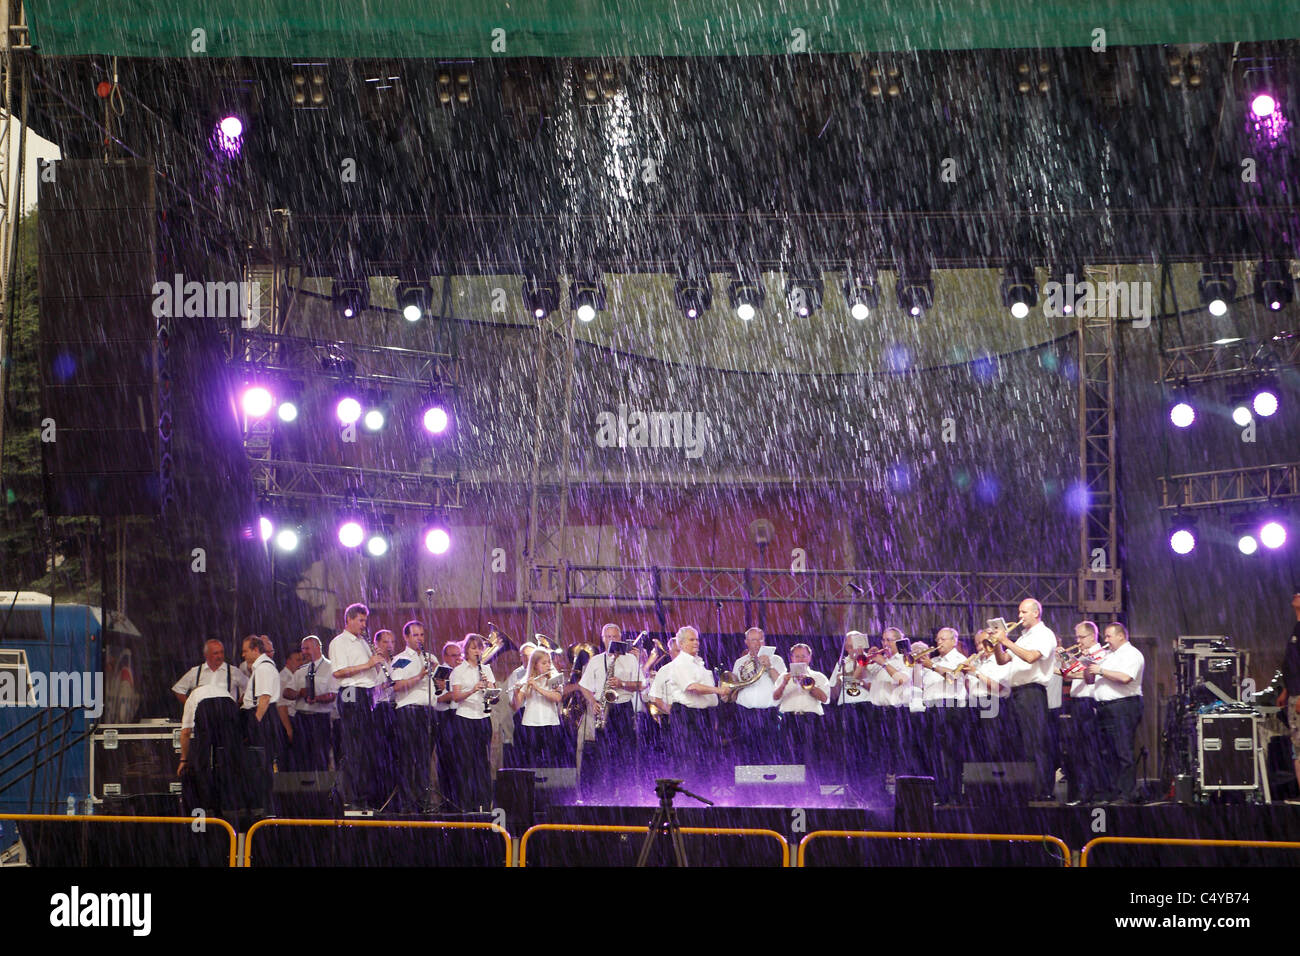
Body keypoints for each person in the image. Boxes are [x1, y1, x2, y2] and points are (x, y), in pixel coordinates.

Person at [992, 599, 1057, 799]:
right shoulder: (1023, 637)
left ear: (1036, 613)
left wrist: (1005, 641)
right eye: (1019, 612)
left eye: (1024, 612)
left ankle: (1041, 790)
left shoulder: (1044, 634)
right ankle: (1027, 788)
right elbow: (1002, 660)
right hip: (1017, 693)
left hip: (1032, 692)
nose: (1019, 616)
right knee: (1020, 743)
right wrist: (995, 644)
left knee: (1035, 743)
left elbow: (1031, 657)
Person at [577, 624, 644, 800]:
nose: (612, 640)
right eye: (608, 637)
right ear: (603, 638)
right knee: (604, 753)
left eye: (615, 637)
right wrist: (592, 702)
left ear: (620, 638)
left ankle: (625, 793)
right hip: (604, 708)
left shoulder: (630, 659)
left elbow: (642, 684)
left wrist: (622, 684)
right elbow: (583, 686)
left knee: (625, 753)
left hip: (623, 708)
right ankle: (605, 793)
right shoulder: (597, 660)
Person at [655, 626, 727, 785]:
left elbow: (707, 694)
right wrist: (719, 690)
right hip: (685, 716)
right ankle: (687, 799)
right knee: (687, 758)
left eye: (697, 639)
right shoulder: (680, 664)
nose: (696, 643)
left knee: (706, 757)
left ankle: (703, 793)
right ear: (681, 644)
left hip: (703, 716)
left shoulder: (698, 663)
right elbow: (691, 687)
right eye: (691, 639)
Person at [328, 604, 383, 809]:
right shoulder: (339, 642)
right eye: (360, 620)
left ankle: (362, 797)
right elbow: (339, 672)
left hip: (367, 694)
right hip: (351, 693)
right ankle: (349, 799)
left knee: (366, 748)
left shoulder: (363, 642)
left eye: (365, 621)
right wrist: (367, 664)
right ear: (349, 619)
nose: (364, 625)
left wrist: (378, 662)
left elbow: (371, 673)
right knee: (354, 748)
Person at [1086, 622, 1145, 804]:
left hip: (1124, 706)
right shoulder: (1107, 656)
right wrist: (1088, 666)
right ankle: (1111, 791)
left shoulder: (1132, 654)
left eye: (1109, 636)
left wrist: (1101, 670)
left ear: (1121, 636)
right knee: (1106, 752)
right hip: (1104, 708)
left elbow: (1125, 678)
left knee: (1122, 751)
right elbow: (1090, 680)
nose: (1106, 640)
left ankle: (1126, 793)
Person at [390, 620, 436, 813]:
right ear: (406, 637)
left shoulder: (430, 657)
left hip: (428, 710)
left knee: (425, 757)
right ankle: (408, 802)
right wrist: (419, 676)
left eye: (422, 635)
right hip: (409, 710)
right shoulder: (400, 659)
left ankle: (424, 800)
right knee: (409, 757)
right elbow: (397, 686)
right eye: (415, 635)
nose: (419, 639)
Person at [1058, 621, 1106, 804]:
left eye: (1081, 637)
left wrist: (1071, 664)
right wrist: (1065, 658)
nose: (1078, 641)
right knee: (1077, 751)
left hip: (1089, 702)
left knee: (1091, 750)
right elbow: (1068, 673)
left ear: (1092, 636)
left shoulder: (1101, 655)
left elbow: (1083, 675)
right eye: (1076, 637)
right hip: (1076, 704)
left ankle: (1096, 792)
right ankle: (1083, 793)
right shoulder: (1082, 655)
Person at [918, 628, 967, 804]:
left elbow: (953, 677)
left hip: (950, 708)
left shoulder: (959, 659)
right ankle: (939, 793)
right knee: (934, 754)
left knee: (950, 753)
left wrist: (931, 665)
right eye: (937, 639)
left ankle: (953, 794)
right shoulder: (934, 660)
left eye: (943, 639)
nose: (939, 642)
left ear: (954, 641)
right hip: (932, 708)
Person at [447, 635, 496, 811]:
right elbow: (456, 697)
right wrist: (473, 689)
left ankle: (482, 802)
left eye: (479, 648)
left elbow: (493, 692)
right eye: (473, 648)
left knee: (483, 761)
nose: (477, 651)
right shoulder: (458, 671)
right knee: (466, 762)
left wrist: (490, 690)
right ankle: (466, 803)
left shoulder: (487, 669)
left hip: (483, 717)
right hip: (465, 718)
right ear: (466, 650)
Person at [772, 643, 829, 784]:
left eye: (804, 656)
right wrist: (785, 683)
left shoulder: (818, 676)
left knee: (811, 758)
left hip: (811, 720)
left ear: (809, 658)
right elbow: (775, 698)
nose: (800, 659)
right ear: (791, 658)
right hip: (789, 720)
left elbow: (825, 698)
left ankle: (811, 792)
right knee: (788, 757)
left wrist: (808, 683)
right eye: (797, 656)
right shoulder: (783, 677)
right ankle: (791, 792)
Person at [729, 627, 786, 764]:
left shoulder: (776, 659)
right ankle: (747, 783)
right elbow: (735, 686)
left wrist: (769, 667)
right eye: (753, 640)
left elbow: (782, 684)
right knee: (746, 753)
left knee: (771, 753)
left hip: (769, 715)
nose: (758, 643)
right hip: (745, 714)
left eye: (761, 639)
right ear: (746, 642)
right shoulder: (740, 662)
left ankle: (769, 782)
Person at [865, 628, 911, 788]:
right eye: (883, 640)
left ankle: (897, 790)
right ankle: (877, 790)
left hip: (896, 713)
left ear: (898, 642)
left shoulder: (905, 659)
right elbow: (856, 677)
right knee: (876, 753)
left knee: (896, 753)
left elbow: (902, 680)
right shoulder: (879, 661)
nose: (885, 644)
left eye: (889, 640)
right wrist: (864, 658)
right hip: (877, 713)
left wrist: (884, 663)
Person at [240, 635, 281, 811]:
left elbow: (264, 699)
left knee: (261, 764)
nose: (243, 655)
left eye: (245, 651)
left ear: (256, 650)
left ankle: (264, 807)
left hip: (261, 719)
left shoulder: (264, 669)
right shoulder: (260, 668)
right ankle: (262, 805)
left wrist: (254, 726)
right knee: (259, 764)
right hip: (261, 718)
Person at [512, 646, 568, 767]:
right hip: (531, 723)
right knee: (531, 759)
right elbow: (516, 706)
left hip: (550, 723)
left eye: (549, 662)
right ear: (535, 664)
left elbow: (557, 698)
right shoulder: (527, 679)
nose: (548, 665)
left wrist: (537, 688)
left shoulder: (555, 678)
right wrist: (516, 692)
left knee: (550, 759)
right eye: (544, 663)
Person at [288, 636, 336, 772]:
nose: (304, 652)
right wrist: (299, 693)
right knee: (301, 758)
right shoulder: (301, 670)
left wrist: (317, 699)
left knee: (320, 758)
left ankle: (321, 791)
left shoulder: (331, 668)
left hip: (320, 719)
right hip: (301, 719)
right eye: (302, 648)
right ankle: (302, 791)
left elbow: (333, 695)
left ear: (317, 647)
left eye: (307, 648)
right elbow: (286, 692)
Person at [171, 639, 247, 708]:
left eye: (221, 652)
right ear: (206, 655)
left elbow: (249, 687)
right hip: (202, 717)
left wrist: (238, 704)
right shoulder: (195, 672)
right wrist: (190, 706)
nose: (220, 656)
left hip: (226, 716)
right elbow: (178, 689)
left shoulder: (233, 671)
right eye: (216, 653)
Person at [370, 629, 399, 809]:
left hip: (395, 708)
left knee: (395, 755)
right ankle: (380, 796)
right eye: (385, 642)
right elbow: (372, 689)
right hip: (380, 709)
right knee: (381, 754)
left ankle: (394, 796)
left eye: (392, 642)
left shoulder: (397, 662)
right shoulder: (374, 663)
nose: (389, 646)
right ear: (377, 644)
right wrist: (387, 683)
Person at [432, 640, 463, 809]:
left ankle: (458, 799)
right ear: (445, 656)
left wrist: (453, 690)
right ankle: (446, 799)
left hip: (460, 716)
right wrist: (454, 692)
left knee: (460, 759)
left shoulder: (463, 671)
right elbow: (437, 698)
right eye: (453, 655)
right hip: (445, 717)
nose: (457, 658)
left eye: (459, 655)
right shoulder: (440, 672)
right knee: (446, 759)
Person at [1280, 590, 1300, 792]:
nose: (1295, 596)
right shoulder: (1296, 629)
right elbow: (1293, 665)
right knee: (1297, 748)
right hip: (1294, 695)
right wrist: (1286, 690)